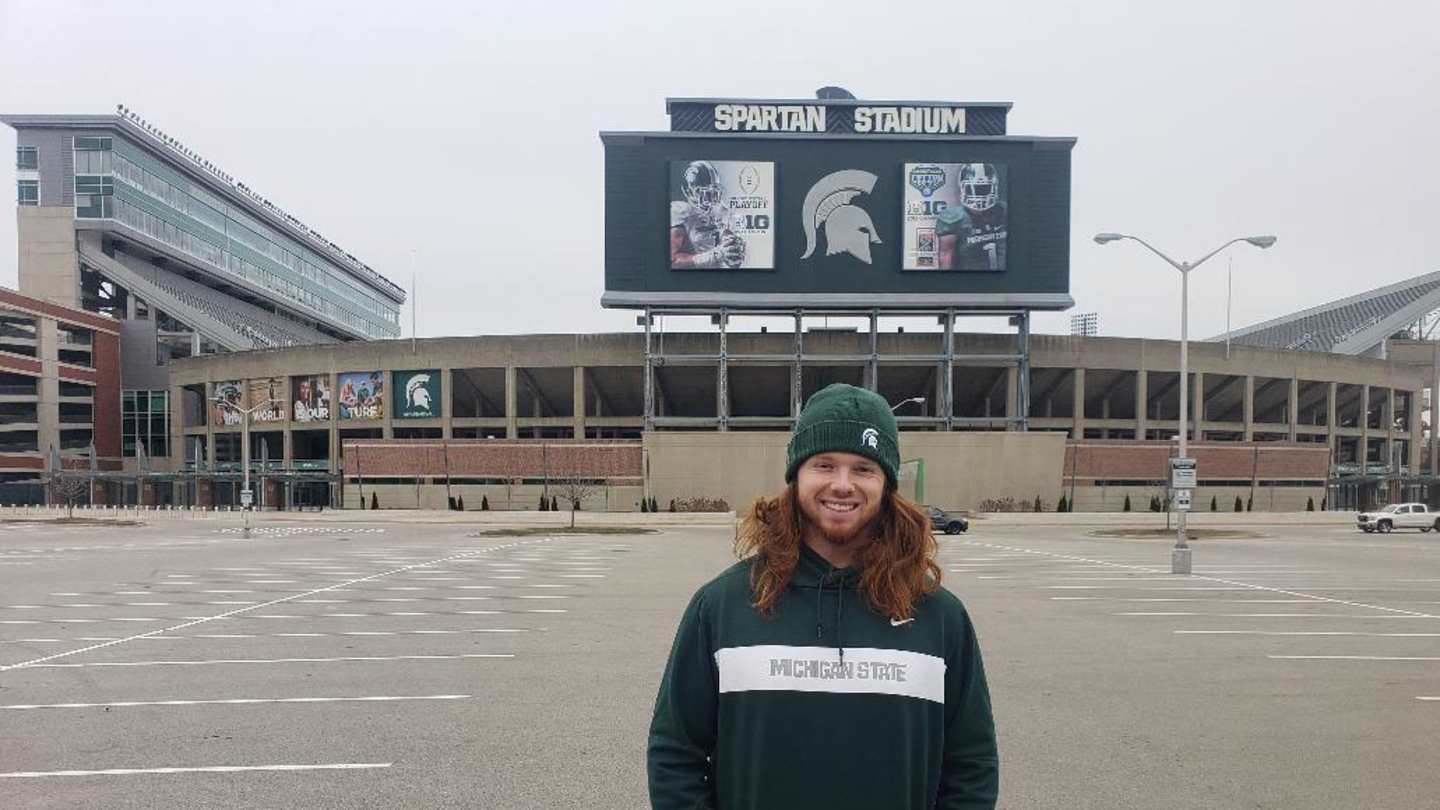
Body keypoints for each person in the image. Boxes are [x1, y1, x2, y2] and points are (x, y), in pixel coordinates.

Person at [647, 383, 998, 809]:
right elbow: (675, 754)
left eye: (864, 469)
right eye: (824, 465)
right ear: (796, 477)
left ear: (886, 484)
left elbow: (971, 767)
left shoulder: (939, 616)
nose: (842, 485)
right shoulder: (723, 606)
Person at [936, 163, 1007, 271]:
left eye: (984, 189)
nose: (979, 196)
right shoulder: (953, 218)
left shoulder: (1004, 211)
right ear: (963, 188)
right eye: (972, 189)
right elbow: (946, 256)